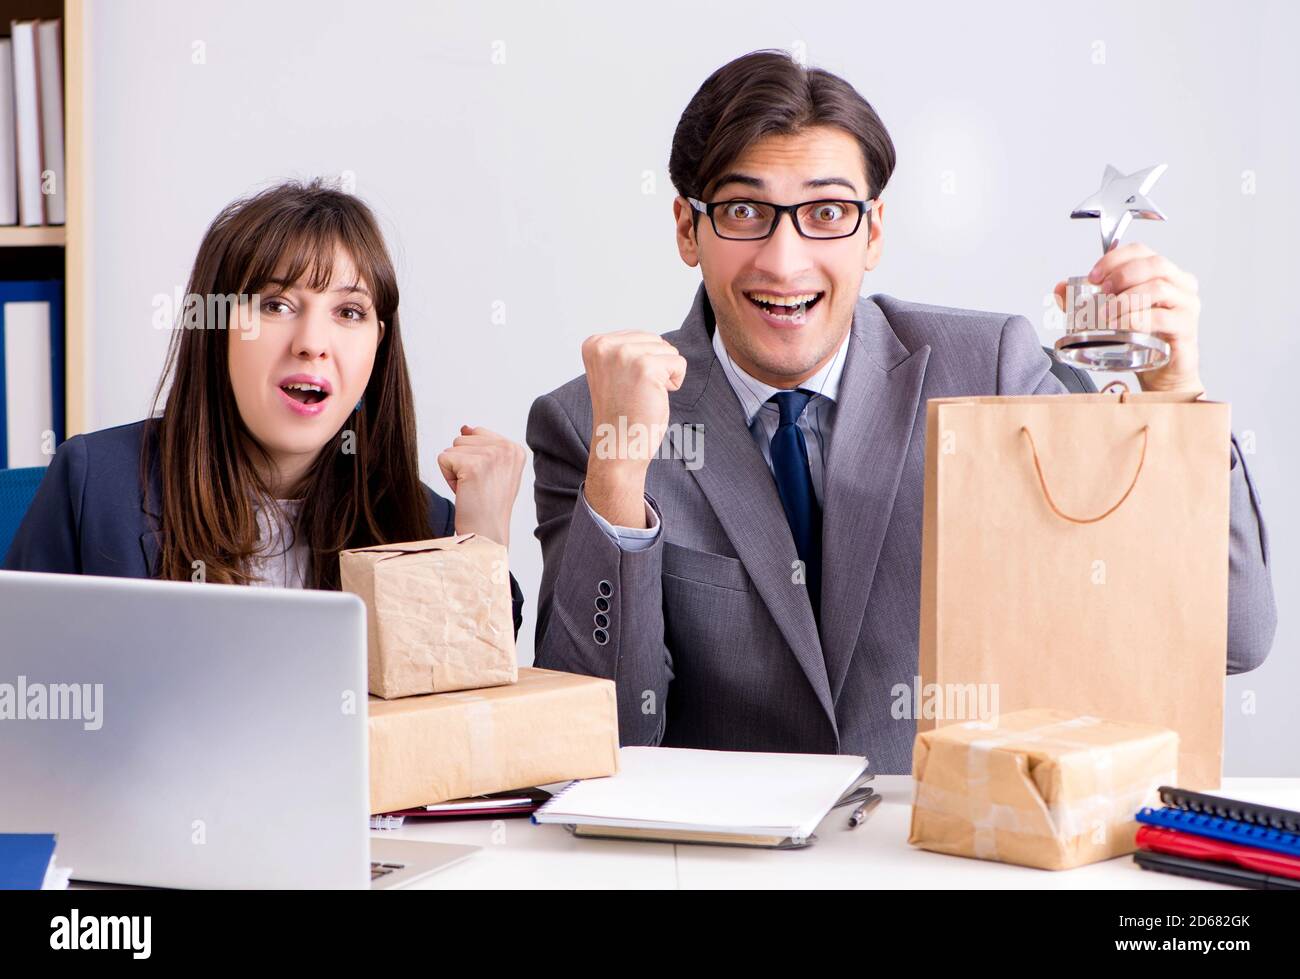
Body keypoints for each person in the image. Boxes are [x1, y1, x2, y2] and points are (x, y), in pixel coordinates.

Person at [526, 50, 1276, 769]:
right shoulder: (589, 422)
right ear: (689, 230)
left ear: (873, 232)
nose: (784, 262)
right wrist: (620, 477)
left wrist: (1176, 397)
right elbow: (598, 737)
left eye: (826, 212)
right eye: (746, 210)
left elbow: (1229, 639)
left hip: (944, 850)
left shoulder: (988, 371)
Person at [6, 180, 527, 633]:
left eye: (348, 311)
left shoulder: (427, 526)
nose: (312, 343)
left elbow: (463, 728)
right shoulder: (95, 486)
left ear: (378, 348)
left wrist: (479, 544)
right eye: (276, 305)